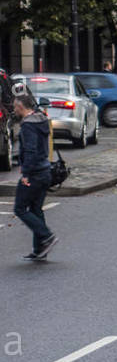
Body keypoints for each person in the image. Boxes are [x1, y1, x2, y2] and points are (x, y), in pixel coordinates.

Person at [13, 91, 57, 261]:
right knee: (36, 209)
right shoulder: (41, 119)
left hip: (35, 173)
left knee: (20, 208)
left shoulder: (28, 126)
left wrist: (26, 174)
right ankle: (40, 249)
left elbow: (30, 150)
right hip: (44, 171)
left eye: (15, 107)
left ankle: (46, 236)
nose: (14, 110)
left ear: (21, 107)